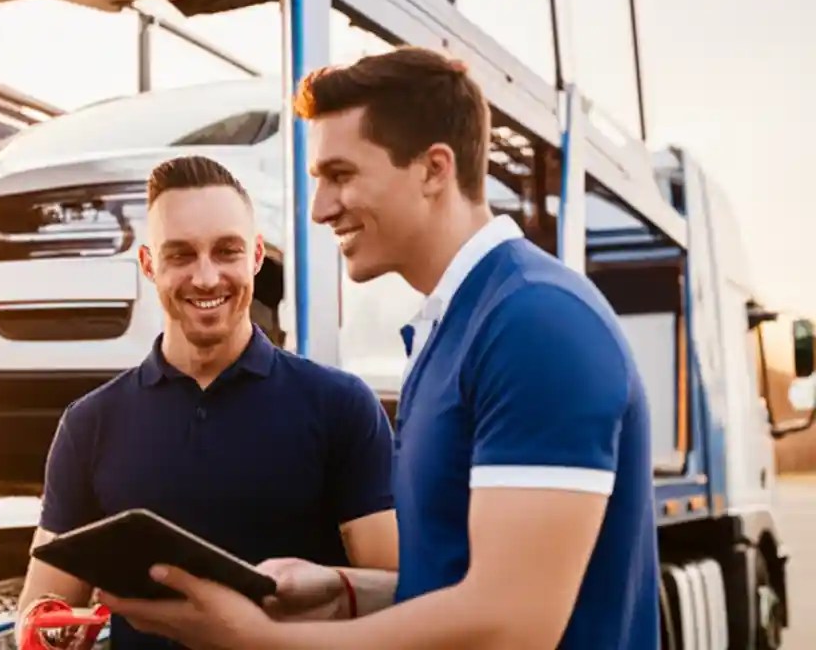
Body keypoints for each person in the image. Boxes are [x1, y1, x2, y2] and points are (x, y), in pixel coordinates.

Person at [98, 48, 661, 649]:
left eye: (340, 175)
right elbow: (454, 585)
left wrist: (253, 640)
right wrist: (341, 589)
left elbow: (510, 624)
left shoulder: (538, 323)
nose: (319, 209)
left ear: (433, 170)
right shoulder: (456, 327)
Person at [15, 155, 398, 648]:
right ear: (149, 264)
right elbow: (41, 609)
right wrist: (57, 629)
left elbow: (400, 597)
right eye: (180, 255)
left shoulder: (340, 406)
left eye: (226, 252)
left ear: (256, 256)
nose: (206, 277)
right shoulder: (90, 423)